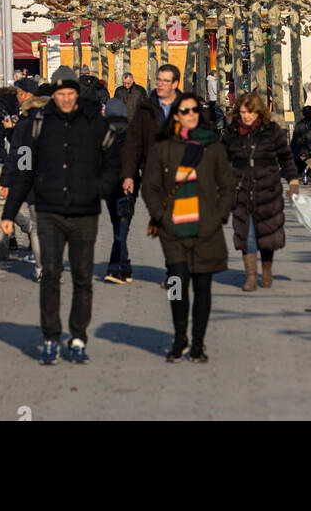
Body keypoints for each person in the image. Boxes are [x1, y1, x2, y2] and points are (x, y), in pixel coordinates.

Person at [0, 73, 121, 366]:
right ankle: (51, 337)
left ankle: (78, 337)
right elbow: (25, 169)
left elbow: (113, 159)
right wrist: (9, 211)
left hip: (84, 212)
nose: (66, 99)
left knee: (82, 277)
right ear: (54, 95)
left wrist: (101, 189)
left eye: (71, 94)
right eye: (61, 94)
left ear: (77, 96)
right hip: (49, 210)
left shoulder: (94, 122)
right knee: (51, 275)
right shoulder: (38, 125)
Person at [142, 91, 236, 362]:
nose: (191, 114)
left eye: (195, 110)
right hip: (173, 230)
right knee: (177, 285)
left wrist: (218, 216)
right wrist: (160, 215)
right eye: (185, 111)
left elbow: (228, 185)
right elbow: (150, 186)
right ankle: (179, 336)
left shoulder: (213, 147)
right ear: (176, 116)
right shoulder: (162, 148)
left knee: (203, 288)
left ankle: (198, 343)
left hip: (206, 229)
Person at [222, 91, 299, 291]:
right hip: (240, 189)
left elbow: (286, 157)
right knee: (246, 234)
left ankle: (266, 269)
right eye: (243, 112)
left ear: (259, 113)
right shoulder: (230, 133)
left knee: (267, 235)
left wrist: (293, 182)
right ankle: (250, 276)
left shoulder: (272, 131)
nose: (246, 116)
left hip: (268, 190)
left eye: (251, 112)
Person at [0, 76, 49, 278]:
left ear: (27, 95)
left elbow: (19, 154)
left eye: (19, 94)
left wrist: (9, 180)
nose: (17, 98)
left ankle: (41, 269)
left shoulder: (26, 122)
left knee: (37, 226)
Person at [121, 63, 182, 196]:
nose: (160, 84)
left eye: (166, 81)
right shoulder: (146, 109)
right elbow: (133, 144)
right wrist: (128, 175)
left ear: (175, 84)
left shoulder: (188, 108)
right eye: (159, 80)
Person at [101, 98, 133, 283]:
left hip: (109, 185)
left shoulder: (101, 131)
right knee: (123, 224)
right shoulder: (132, 132)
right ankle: (124, 266)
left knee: (118, 224)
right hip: (129, 184)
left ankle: (116, 267)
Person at [290, 104, 311, 173]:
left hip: (305, 148)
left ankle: (302, 170)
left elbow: (294, 139)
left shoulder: (300, 124)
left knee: (293, 151)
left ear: (303, 114)